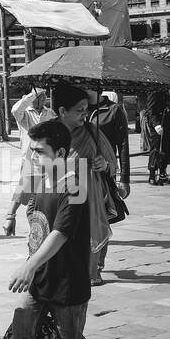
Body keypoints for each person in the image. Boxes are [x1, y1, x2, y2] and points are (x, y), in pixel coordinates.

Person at [0, 119, 91, 339]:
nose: (34, 156)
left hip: (67, 279)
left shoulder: (75, 184)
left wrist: (28, 265)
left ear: (61, 151)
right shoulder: (40, 178)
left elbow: (60, 233)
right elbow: (32, 208)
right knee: (22, 327)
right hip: (40, 278)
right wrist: (11, 213)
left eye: (40, 151)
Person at [52, 82, 116, 287]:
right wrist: (12, 210)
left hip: (91, 196)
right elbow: (32, 170)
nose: (84, 114)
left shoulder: (91, 130)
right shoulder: (47, 134)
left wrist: (103, 163)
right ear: (62, 111)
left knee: (91, 230)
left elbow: (111, 163)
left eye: (86, 110)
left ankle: (93, 270)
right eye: (79, 111)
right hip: (60, 196)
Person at [90, 91, 131, 194]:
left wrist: (124, 178)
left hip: (105, 171)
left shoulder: (114, 110)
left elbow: (123, 145)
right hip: (80, 173)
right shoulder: (77, 109)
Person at [11, 86, 50, 156]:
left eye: (44, 94)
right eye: (40, 95)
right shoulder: (24, 113)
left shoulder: (49, 112)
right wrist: (32, 95)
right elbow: (15, 110)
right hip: (29, 156)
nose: (44, 97)